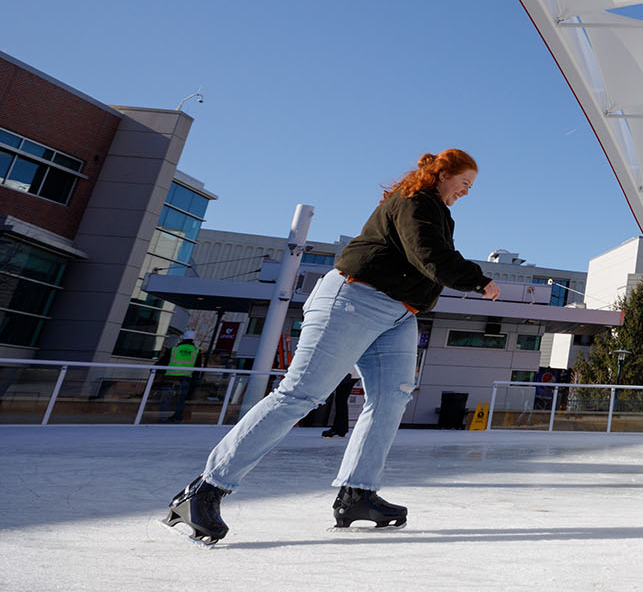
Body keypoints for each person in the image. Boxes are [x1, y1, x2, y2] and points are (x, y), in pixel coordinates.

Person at [162, 150, 501, 544]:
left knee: (392, 398)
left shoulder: (439, 211)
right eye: (465, 183)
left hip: (399, 313)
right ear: (442, 174)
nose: (466, 191)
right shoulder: (414, 202)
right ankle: (205, 489)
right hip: (355, 299)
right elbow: (430, 255)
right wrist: (477, 279)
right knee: (300, 394)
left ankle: (358, 494)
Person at [164, 331, 199, 422]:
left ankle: (163, 416)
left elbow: (164, 361)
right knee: (181, 399)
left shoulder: (175, 349)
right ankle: (177, 416)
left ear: (183, 338)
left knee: (167, 398)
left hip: (171, 377)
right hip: (186, 378)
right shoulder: (196, 351)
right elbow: (198, 367)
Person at [320, 372, 355, 438]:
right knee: (341, 400)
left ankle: (339, 429)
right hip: (351, 373)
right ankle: (340, 429)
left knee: (341, 400)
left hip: (349, 373)